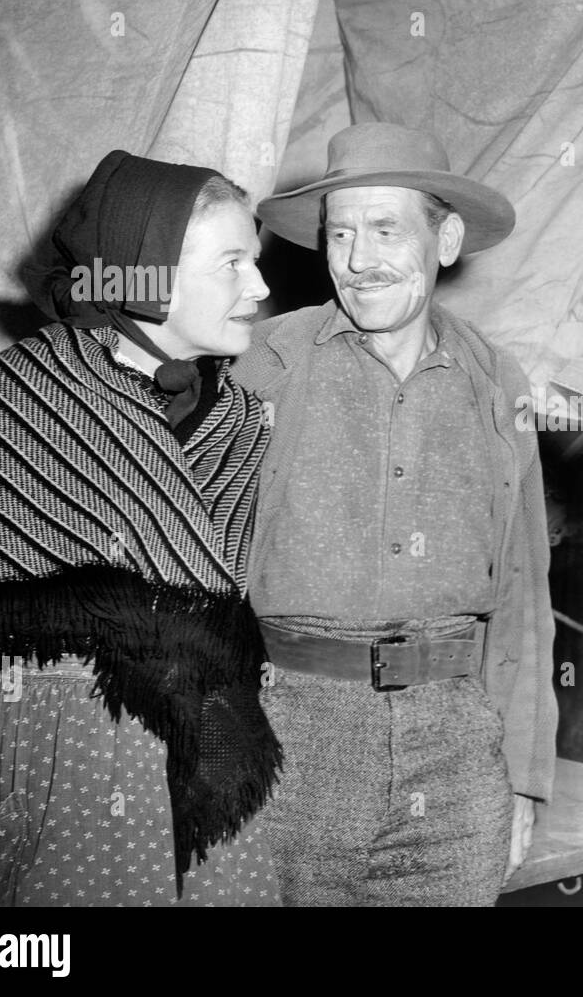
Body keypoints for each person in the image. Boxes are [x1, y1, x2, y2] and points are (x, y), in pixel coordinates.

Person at [0, 151, 280, 905]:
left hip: (206, 748)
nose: (261, 286)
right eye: (233, 263)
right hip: (53, 755)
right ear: (143, 278)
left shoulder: (244, 420)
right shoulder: (16, 395)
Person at [231, 122, 556, 906]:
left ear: (444, 239)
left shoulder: (495, 379)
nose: (358, 259)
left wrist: (524, 773)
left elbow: (523, 584)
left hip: (458, 747)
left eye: (384, 230)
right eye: (339, 233)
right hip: (289, 732)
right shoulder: (260, 364)